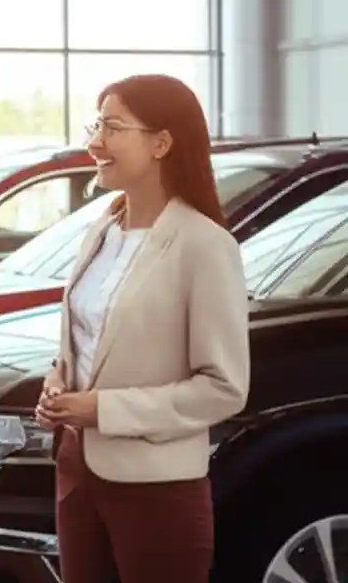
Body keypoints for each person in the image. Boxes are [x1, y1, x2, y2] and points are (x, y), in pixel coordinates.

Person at [35, 73, 250, 583]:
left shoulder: (205, 245)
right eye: (96, 125)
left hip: (157, 488)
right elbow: (87, 341)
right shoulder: (101, 232)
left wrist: (103, 409)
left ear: (162, 142)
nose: (94, 143)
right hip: (78, 473)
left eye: (111, 127)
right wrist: (57, 381)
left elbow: (224, 389)